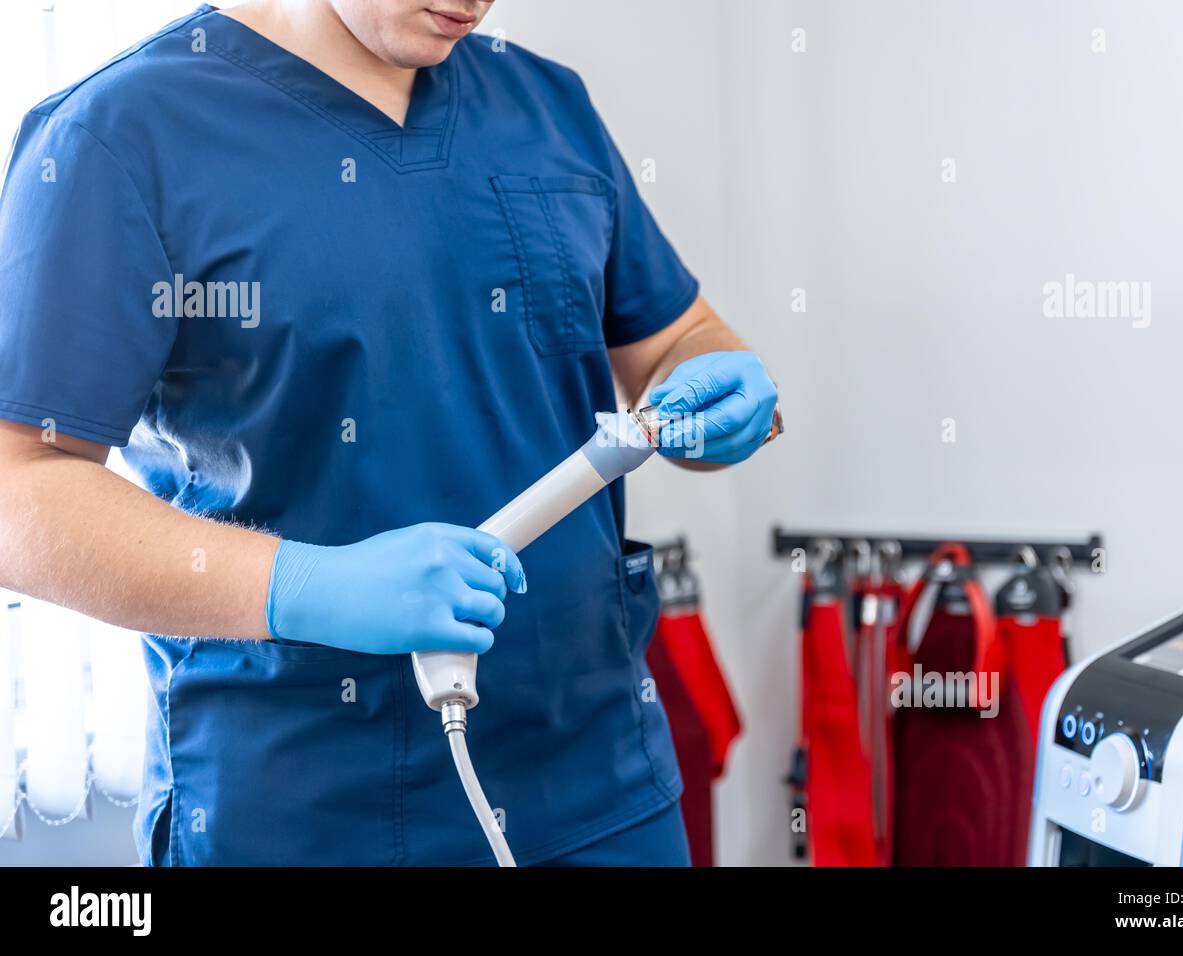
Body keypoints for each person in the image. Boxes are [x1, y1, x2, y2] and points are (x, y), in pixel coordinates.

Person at [0, 0, 779, 866]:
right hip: (303, 812)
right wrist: (307, 584)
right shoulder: (118, 136)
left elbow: (673, 338)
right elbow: (18, 489)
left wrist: (709, 379)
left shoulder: (546, 107)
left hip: (602, 787)